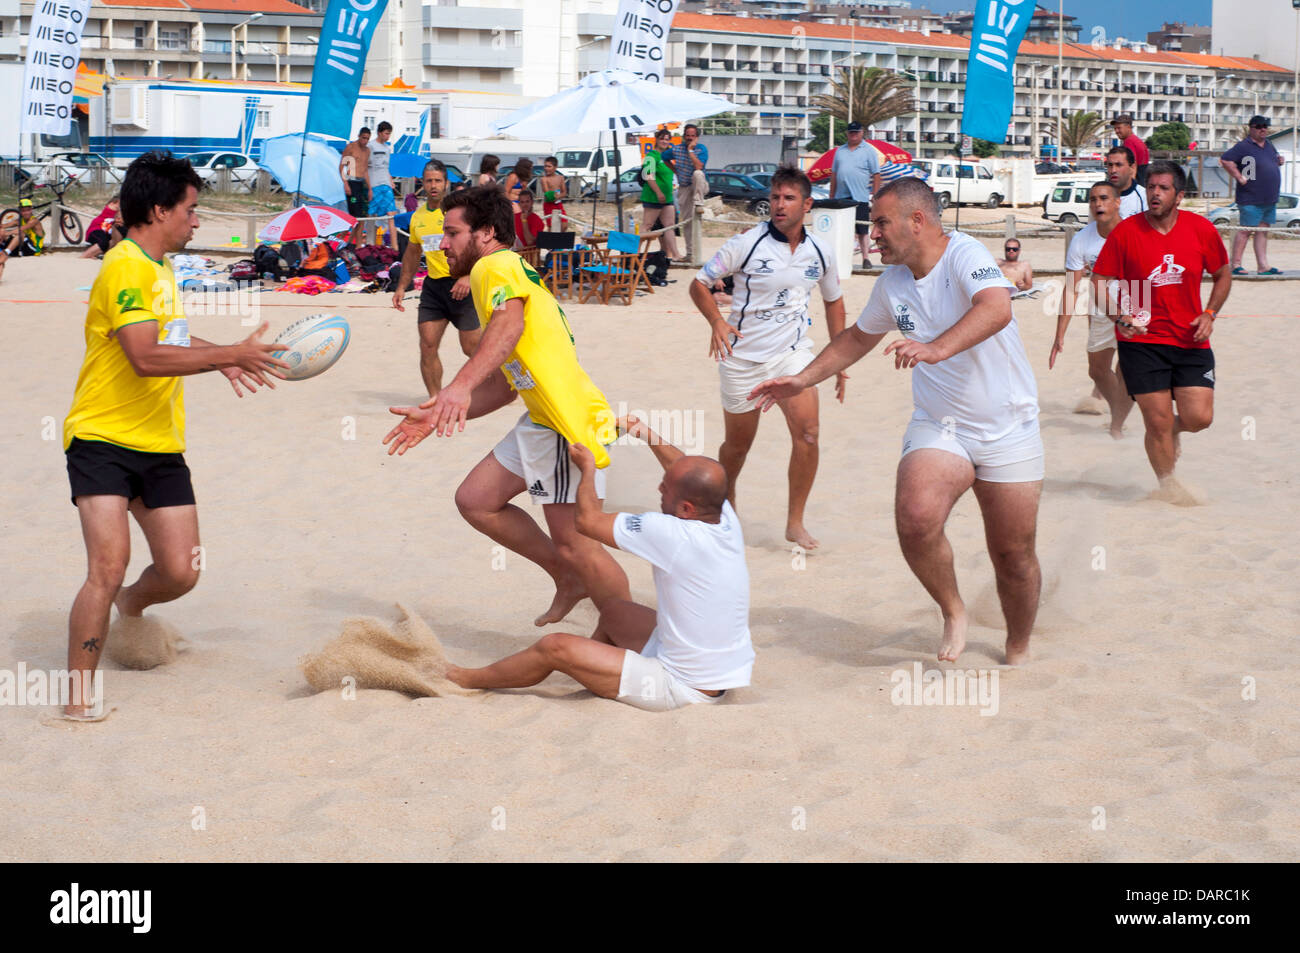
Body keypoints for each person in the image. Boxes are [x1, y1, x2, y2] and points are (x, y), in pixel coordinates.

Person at [751, 177, 1042, 665]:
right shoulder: (892, 283)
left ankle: (1017, 647)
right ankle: (953, 610)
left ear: (917, 221)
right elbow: (857, 339)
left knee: (1013, 556)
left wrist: (935, 348)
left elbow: (996, 309)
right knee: (916, 519)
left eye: (881, 223)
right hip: (940, 425)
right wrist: (801, 380)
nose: (874, 234)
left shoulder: (964, 254)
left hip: (1008, 425)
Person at [60, 152, 288, 720]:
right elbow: (143, 356)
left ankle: (131, 608)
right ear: (159, 209)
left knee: (182, 571)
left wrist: (220, 358)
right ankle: (77, 696)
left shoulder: (159, 269)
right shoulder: (124, 267)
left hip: (160, 444)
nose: (196, 221)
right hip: (102, 440)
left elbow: (171, 338)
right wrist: (228, 353)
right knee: (107, 568)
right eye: (190, 209)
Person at [383, 185, 630, 626]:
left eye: (453, 233)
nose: (442, 244)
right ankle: (566, 578)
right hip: (542, 417)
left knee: (580, 545)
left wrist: (458, 385)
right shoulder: (503, 269)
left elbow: (509, 323)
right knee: (476, 500)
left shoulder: (494, 267)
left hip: (565, 422)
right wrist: (440, 407)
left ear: (487, 233)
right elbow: (503, 386)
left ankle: (634, 637)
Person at [440, 415, 753, 711]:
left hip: (682, 686)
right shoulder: (724, 518)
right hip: (715, 671)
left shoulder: (671, 533)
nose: (659, 489)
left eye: (665, 490)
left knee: (554, 647)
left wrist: (587, 469)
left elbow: (587, 522)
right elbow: (683, 468)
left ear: (685, 508)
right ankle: (597, 670)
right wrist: (646, 434)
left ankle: (465, 679)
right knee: (615, 610)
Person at [689, 166, 845, 550]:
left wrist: (840, 359)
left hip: (792, 356)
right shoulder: (747, 243)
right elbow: (698, 284)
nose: (779, 204)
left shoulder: (821, 251)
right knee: (738, 446)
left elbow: (834, 301)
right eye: (775, 196)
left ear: (807, 204)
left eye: (789, 198)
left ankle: (794, 522)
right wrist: (716, 321)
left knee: (808, 434)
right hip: (742, 359)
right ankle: (728, 500)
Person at [1091, 160, 1231, 498]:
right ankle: (1168, 486)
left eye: (1163, 188)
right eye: (1151, 186)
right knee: (1157, 422)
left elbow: (1223, 273)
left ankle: (1176, 431)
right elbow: (1098, 282)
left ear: (1179, 195)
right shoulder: (1126, 232)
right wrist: (1118, 316)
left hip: (1190, 339)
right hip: (1142, 342)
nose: (1155, 193)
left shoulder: (1201, 229)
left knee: (1199, 418)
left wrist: (1210, 312)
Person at [1050, 181, 1134, 439]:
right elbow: (1072, 288)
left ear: (1117, 202)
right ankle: (1118, 409)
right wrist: (1059, 334)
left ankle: (1117, 424)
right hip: (1101, 310)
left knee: (1128, 368)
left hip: (1137, 303)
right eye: (1093, 199)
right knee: (1097, 370)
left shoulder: (1136, 231)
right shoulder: (1082, 238)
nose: (1098, 204)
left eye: (1104, 198)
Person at [391, 160, 481, 397]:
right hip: (434, 288)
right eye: (429, 180)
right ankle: (435, 399)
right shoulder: (417, 217)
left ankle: (505, 381)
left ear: (446, 183)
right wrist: (402, 286)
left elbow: (482, 246)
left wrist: (468, 275)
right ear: (422, 183)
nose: (433, 185)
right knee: (427, 345)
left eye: (438, 180)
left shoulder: (462, 212)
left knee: (471, 347)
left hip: (463, 284)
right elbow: (412, 253)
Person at [1221, 115, 1286, 276]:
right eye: (1259, 126)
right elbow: (1226, 160)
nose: (1263, 129)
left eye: (1266, 126)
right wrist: (1238, 176)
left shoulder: (1269, 144)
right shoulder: (1244, 146)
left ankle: (1263, 266)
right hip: (1251, 197)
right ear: (1251, 128)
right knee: (1245, 230)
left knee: (1263, 230)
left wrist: (1279, 160)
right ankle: (1236, 264)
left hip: (1269, 197)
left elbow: (1272, 160)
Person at [827, 121, 883, 268]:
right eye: (851, 133)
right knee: (841, 230)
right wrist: (831, 197)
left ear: (862, 133)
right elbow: (834, 174)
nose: (853, 135)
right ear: (847, 133)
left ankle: (866, 258)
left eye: (856, 132)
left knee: (863, 230)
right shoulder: (840, 151)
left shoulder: (869, 150)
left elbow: (876, 174)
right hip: (841, 197)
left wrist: (875, 197)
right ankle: (839, 259)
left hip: (860, 197)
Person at [640, 128, 681, 261]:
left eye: (667, 139)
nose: (664, 141)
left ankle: (675, 254)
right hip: (653, 196)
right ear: (656, 140)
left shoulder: (667, 157)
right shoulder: (651, 156)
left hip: (667, 197)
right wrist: (658, 192)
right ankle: (634, 252)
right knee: (647, 225)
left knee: (670, 225)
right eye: (662, 138)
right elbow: (648, 175)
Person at [669, 123, 709, 262]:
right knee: (687, 222)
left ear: (697, 137)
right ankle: (690, 254)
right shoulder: (676, 149)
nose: (689, 138)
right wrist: (676, 170)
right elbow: (664, 157)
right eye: (687, 135)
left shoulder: (701, 149)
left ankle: (699, 202)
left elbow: (699, 166)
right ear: (683, 136)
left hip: (699, 185)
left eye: (692, 136)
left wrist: (691, 151)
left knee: (697, 173)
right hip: (684, 186)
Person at [340, 127, 371, 244]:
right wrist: (345, 184)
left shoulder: (367, 151)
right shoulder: (351, 147)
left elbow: (365, 170)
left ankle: (355, 245)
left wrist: (370, 189)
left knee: (362, 216)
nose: (365, 141)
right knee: (353, 217)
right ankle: (339, 241)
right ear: (359, 136)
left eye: (367, 139)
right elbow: (342, 167)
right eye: (363, 138)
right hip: (351, 183)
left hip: (361, 184)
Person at [0, 199, 45, 279]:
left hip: (33, 249)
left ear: (31, 210)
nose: (26, 213)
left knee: (21, 233)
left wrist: (6, 233)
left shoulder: (34, 221)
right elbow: (4, 225)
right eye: (23, 211)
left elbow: (20, 229)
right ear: (20, 211)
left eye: (28, 210)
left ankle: (6, 253)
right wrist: (2, 231)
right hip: (22, 248)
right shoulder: (19, 220)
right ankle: (3, 253)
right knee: (2, 231)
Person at [368, 121, 397, 246]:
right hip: (374, 184)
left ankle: (395, 247)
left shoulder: (387, 148)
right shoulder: (370, 146)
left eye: (389, 134)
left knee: (391, 214)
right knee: (372, 216)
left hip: (386, 184)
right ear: (379, 133)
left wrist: (391, 181)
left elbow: (386, 167)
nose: (388, 136)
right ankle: (372, 244)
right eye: (386, 133)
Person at [1104, 145, 1147, 219]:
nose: (1113, 170)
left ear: (1132, 167)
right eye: (1110, 165)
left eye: (1118, 165)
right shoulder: (1100, 196)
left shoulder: (1144, 197)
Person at [1110, 114, 1149, 186]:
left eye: (1119, 128)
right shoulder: (1137, 140)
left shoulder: (1129, 141)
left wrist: (1130, 186)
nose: (1116, 131)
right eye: (1115, 129)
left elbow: (1132, 165)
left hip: (1137, 181)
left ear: (1128, 127)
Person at [81, 195, 124, 260]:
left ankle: (94, 254)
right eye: (119, 204)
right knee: (104, 242)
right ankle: (84, 256)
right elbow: (112, 207)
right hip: (95, 230)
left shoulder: (117, 212)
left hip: (104, 232)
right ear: (112, 204)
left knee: (111, 241)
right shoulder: (110, 209)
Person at [538, 156, 568, 231]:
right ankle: (551, 241)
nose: (546, 168)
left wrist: (558, 196)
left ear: (555, 167)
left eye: (549, 166)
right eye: (545, 166)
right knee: (551, 227)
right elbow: (548, 194)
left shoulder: (560, 177)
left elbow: (564, 192)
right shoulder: (544, 179)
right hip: (549, 205)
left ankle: (558, 240)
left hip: (558, 204)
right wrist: (557, 196)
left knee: (564, 225)